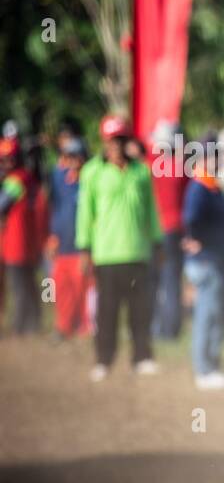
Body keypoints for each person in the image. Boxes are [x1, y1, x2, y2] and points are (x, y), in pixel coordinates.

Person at [76, 116, 163, 380]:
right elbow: (85, 214)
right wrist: (84, 249)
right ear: (105, 142)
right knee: (107, 312)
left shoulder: (141, 171)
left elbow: (151, 211)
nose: (116, 146)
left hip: (138, 252)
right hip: (107, 254)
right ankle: (103, 360)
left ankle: (142, 357)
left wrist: (157, 242)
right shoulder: (92, 172)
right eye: (111, 141)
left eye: (121, 140)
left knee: (140, 311)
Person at [182, 154, 224, 389]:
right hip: (205, 262)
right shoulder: (199, 187)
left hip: (216, 261)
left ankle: (212, 365)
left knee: (217, 314)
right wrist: (197, 240)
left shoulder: (214, 187)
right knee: (207, 315)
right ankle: (204, 369)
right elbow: (191, 219)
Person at [0, 135, 48, 335]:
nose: (6, 163)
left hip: (15, 244)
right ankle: (33, 324)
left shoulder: (16, 180)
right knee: (29, 285)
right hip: (27, 243)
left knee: (20, 287)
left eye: (9, 158)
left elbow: (2, 205)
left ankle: (21, 326)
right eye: (3, 159)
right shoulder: (27, 177)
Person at [46, 136, 92, 338]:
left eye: (75, 156)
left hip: (83, 247)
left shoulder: (91, 181)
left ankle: (86, 327)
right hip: (62, 244)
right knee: (61, 288)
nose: (71, 161)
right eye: (67, 156)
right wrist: (52, 236)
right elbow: (54, 208)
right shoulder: (59, 178)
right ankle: (63, 326)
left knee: (84, 289)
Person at [149, 122, 188, 339]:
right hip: (174, 231)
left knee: (153, 281)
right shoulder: (181, 166)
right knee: (171, 280)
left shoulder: (149, 165)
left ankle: (155, 328)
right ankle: (170, 329)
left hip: (155, 230)